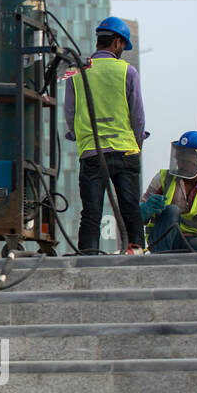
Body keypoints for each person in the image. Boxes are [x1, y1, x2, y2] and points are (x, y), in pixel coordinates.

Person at [64, 16, 148, 254]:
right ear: (118, 43)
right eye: (123, 46)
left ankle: (88, 261)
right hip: (125, 151)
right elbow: (138, 117)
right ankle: (136, 256)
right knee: (130, 208)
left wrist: (79, 137)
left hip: (91, 153)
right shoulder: (127, 72)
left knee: (91, 213)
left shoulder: (76, 72)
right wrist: (137, 145)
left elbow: (70, 113)